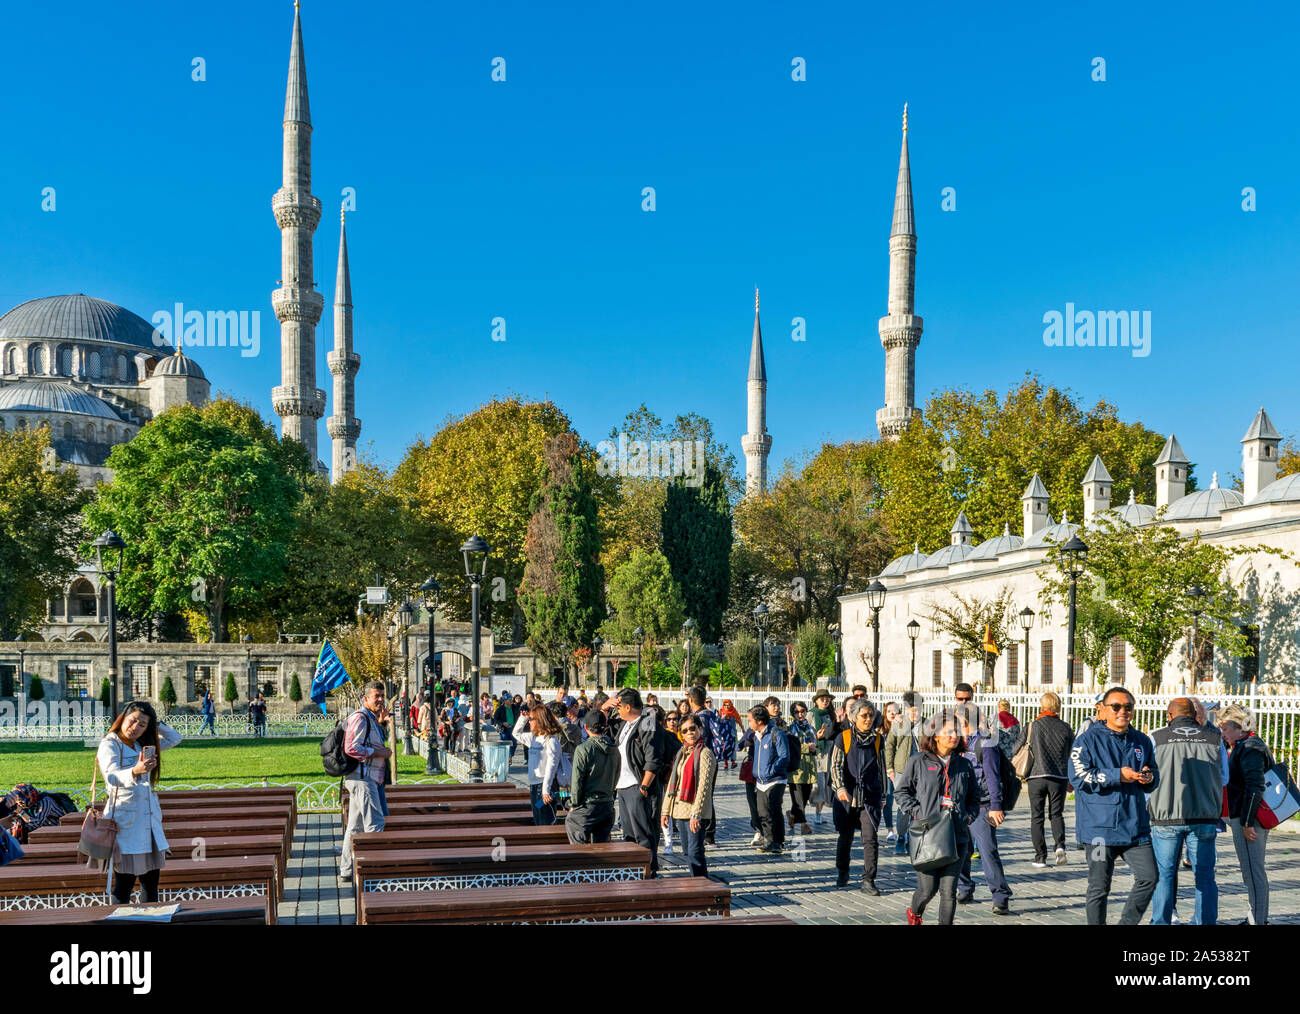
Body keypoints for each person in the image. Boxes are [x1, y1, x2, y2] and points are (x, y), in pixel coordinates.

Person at [1070, 685, 1160, 925]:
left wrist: (1149, 777)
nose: (1123, 711)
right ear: (1103, 710)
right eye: (1116, 706)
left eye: (1128, 707)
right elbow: (1079, 777)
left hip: (1136, 828)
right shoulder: (1086, 740)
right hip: (1099, 831)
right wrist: (1117, 775)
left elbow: (1153, 772)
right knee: (1099, 887)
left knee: (1149, 877)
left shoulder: (1141, 740)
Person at [894, 710, 982, 925]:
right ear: (934, 734)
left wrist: (967, 818)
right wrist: (917, 812)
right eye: (949, 731)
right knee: (927, 890)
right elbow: (901, 792)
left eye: (957, 732)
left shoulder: (964, 764)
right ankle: (915, 913)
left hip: (956, 836)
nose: (954, 736)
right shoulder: (918, 761)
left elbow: (974, 798)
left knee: (949, 892)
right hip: (927, 834)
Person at [97, 701, 183, 903]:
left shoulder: (140, 745)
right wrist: (136, 770)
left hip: (149, 823)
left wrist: (155, 722)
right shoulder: (110, 744)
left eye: (142, 724)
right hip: (125, 825)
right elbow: (111, 777)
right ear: (122, 718)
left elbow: (176, 737)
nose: (135, 727)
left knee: (151, 885)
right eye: (133, 720)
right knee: (124, 885)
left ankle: (152, 918)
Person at [1147, 697, 1223, 926]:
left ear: (1170, 715)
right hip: (1204, 815)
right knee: (1205, 876)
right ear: (1194, 715)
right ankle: (1204, 921)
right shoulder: (1214, 739)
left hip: (1165, 816)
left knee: (1164, 875)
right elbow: (1224, 777)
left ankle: (1161, 921)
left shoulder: (1156, 738)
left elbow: (1148, 779)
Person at [955, 704, 1013, 915]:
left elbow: (992, 776)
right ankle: (964, 887)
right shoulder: (956, 742)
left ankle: (1000, 895)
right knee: (961, 849)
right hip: (959, 805)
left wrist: (996, 807)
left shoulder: (985, 743)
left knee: (988, 851)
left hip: (982, 804)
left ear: (965, 721)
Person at [1219, 704, 1272, 925]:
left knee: (1253, 871)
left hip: (1250, 819)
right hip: (1245, 816)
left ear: (1239, 728)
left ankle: (1259, 921)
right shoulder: (1245, 744)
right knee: (1250, 870)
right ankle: (1254, 917)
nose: (1222, 733)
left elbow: (1254, 786)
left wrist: (1248, 822)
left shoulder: (1250, 748)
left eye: (1224, 729)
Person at [828, 697, 885, 893]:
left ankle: (868, 880)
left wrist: (883, 796)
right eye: (864, 716)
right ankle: (842, 871)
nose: (868, 719)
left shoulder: (878, 740)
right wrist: (840, 788)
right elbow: (834, 765)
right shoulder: (842, 737)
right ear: (854, 718)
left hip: (870, 796)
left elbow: (882, 768)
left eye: (871, 715)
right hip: (847, 796)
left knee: (870, 838)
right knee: (846, 836)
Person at [339, 681, 392, 884]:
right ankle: (373, 873)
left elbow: (371, 740)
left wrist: (382, 723)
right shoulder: (359, 718)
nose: (380, 699)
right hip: (363, 778)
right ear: (365, 699)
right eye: (376, 696)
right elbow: (352, 748)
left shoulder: (370, 718)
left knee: (355, 826)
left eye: (381, 695)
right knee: (375, 824)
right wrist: (380, 753)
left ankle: (347, 869)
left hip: (366, 778)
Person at [610, 689, 666, 876]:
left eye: (619, 707)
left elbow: (653, 757)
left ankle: (648, 869)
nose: (617, 711)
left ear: (628, 706)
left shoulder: (647, 721)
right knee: (629, 832)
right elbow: (604, 729)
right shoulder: (625, 724)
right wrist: (603, 708)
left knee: (644, 832)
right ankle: (633, 867)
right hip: (623, 785)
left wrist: (644, 785)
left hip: (638, 785)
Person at [660, 714, 718, 878]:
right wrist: (665, 811)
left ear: (700, 728)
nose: (690, 732)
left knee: (695, 853)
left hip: (694, 812)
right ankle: (696, 883)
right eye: (685, 730)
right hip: (680, 812)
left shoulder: (705, 754)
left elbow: (704, 787)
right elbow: (673, 782)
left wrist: (696, 813)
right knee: (687, 852)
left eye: (693, 728)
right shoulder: (683, 752)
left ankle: (702, 886)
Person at [1025, 691, 1075, 868]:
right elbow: (1072, 753)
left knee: (1036, 817)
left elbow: (1019, 747)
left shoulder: (1033, 726)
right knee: (1056, 814)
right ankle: (1060, 846)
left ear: (1042, 706)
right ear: (1058, 706)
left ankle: (1040, 857)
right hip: (1059, 777)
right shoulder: (1066, 727)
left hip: (1036, 776)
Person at [565, 709, 621, 844]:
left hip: (587, 805)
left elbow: (577, 780)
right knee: (601, 845)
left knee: (574, 828)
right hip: (607, 805)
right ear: (605, 726)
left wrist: (574, 804)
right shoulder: (615, 749)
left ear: (585, 727)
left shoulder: (583, 749)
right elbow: (616, 776)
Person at [513, 704, 563, 826]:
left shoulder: (551, 741)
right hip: (534, 785)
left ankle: (549, 844)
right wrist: (523, 718)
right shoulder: (533, 738)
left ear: (540, 720)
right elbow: (516, 733)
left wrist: (546, 791)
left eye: (531, 719)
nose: (529, 722)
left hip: (545, 787)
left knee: (546, 820)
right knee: (537, 818)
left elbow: (551, 768)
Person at [749, 705, 789, 854]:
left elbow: (784, 756)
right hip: (760, 781)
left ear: (759, 721)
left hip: (776, 780)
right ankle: (768, 839)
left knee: (774, 810)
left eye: (750, 720)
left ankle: (778, 842)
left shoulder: (776, 734)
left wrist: (772, 771)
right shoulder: (757, 735)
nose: (749, 723)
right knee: (763, 812)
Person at [885, 692, 921, 855]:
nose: (915, 713)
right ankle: (901, 837)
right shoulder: (898, 724)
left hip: (921, 772)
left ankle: (914, 838)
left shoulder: (927, 725)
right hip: (901, 771)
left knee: (919, 805)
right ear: (906, 710)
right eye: (912, 710)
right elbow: (890, 746)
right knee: (902, 807)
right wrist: (890, 768)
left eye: (918, 709)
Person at [787, 702, 818, 835]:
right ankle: (804, 824)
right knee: (798, 799)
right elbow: (792, 747)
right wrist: (807, 747)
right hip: (796, 769)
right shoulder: (790, 730)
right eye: (797, 712)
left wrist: (816, 745)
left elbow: (816, 746)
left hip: (809, 768)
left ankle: (792, 814)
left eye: (803, 711)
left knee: (805, 798)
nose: (800, 714)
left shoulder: (811, 728)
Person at [4, 784, 71, 844]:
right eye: (17, 800)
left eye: (21, 800)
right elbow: (11, 819)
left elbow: (36, 825)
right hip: (39, 835)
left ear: (31, 797)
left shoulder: (46, 801)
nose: (18, 803)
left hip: (56, 834)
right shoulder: (25, 804)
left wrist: (20, 812)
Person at [810, 690, 838, 824]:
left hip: (829, 750)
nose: (825, 701)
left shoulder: (829, 714)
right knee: (818, 784)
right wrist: (817, 736)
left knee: (826, 784)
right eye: (822, 699)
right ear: (816, 701)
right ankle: (807, 813)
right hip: (817, 752)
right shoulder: (812, 714)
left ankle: (818, 813)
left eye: (827, 699)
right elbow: (807, 734)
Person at [712, 699, 742, 770]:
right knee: (725, 747)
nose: (727, 706)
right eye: (725, 705)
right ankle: (726, 762)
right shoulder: (721, 712)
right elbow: (717, 722)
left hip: (733, 733)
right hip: (724, 733)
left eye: (728, 705)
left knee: (733, 747)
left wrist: (743, 729)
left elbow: (739, 721)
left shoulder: (734, 712)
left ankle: (733, 761)